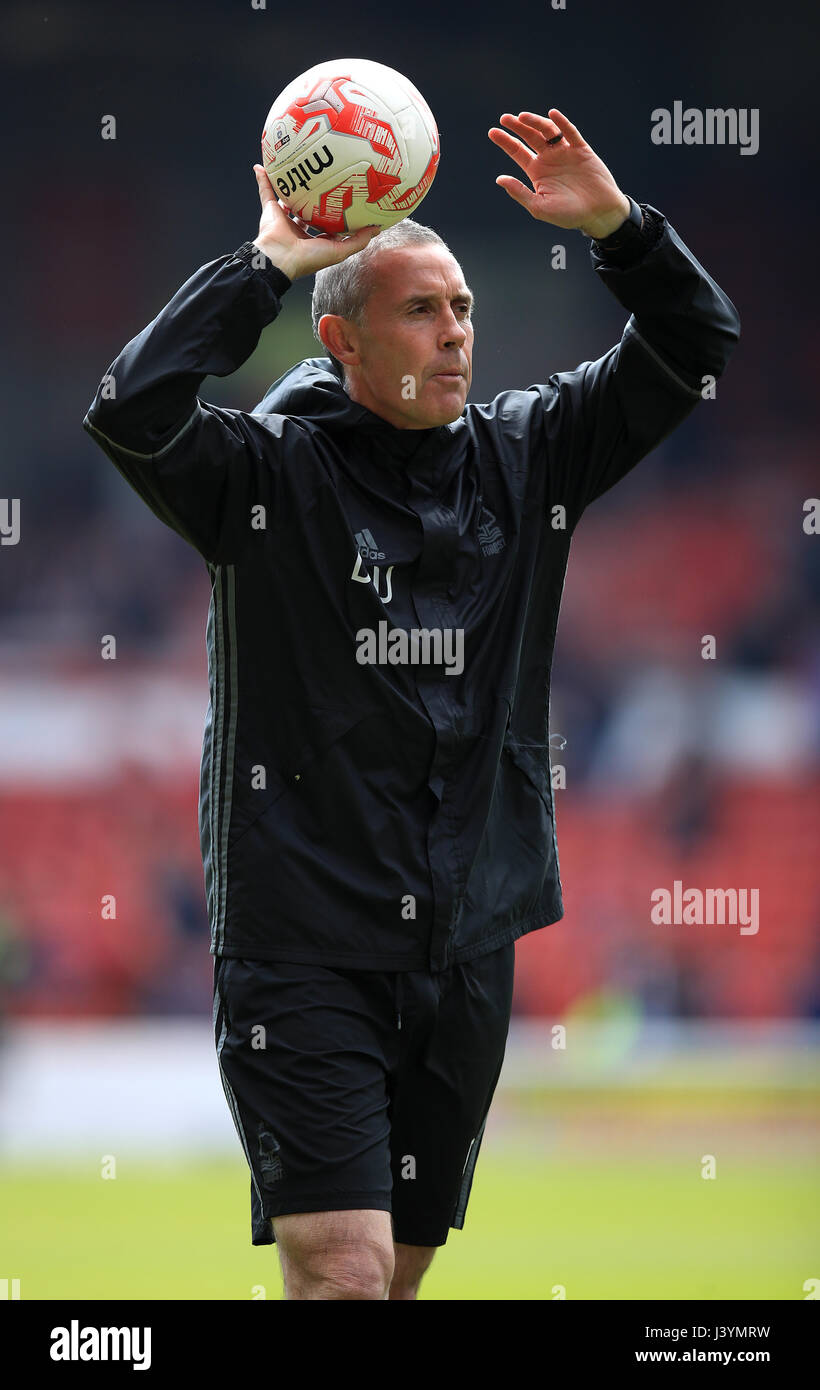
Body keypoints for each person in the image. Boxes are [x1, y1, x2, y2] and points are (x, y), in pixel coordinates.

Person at [82, 107, 740, 1299]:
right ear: (335, 337)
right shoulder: (263, 476)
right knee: (341, 1269)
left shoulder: (530, 454)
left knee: (391, 1282)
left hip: (464, 944)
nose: (455, 335)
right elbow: (132, 410)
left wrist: (616, 226)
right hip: (300, 948)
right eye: (421, 311)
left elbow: (695, 345)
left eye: (465, 310)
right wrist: (266, 263)